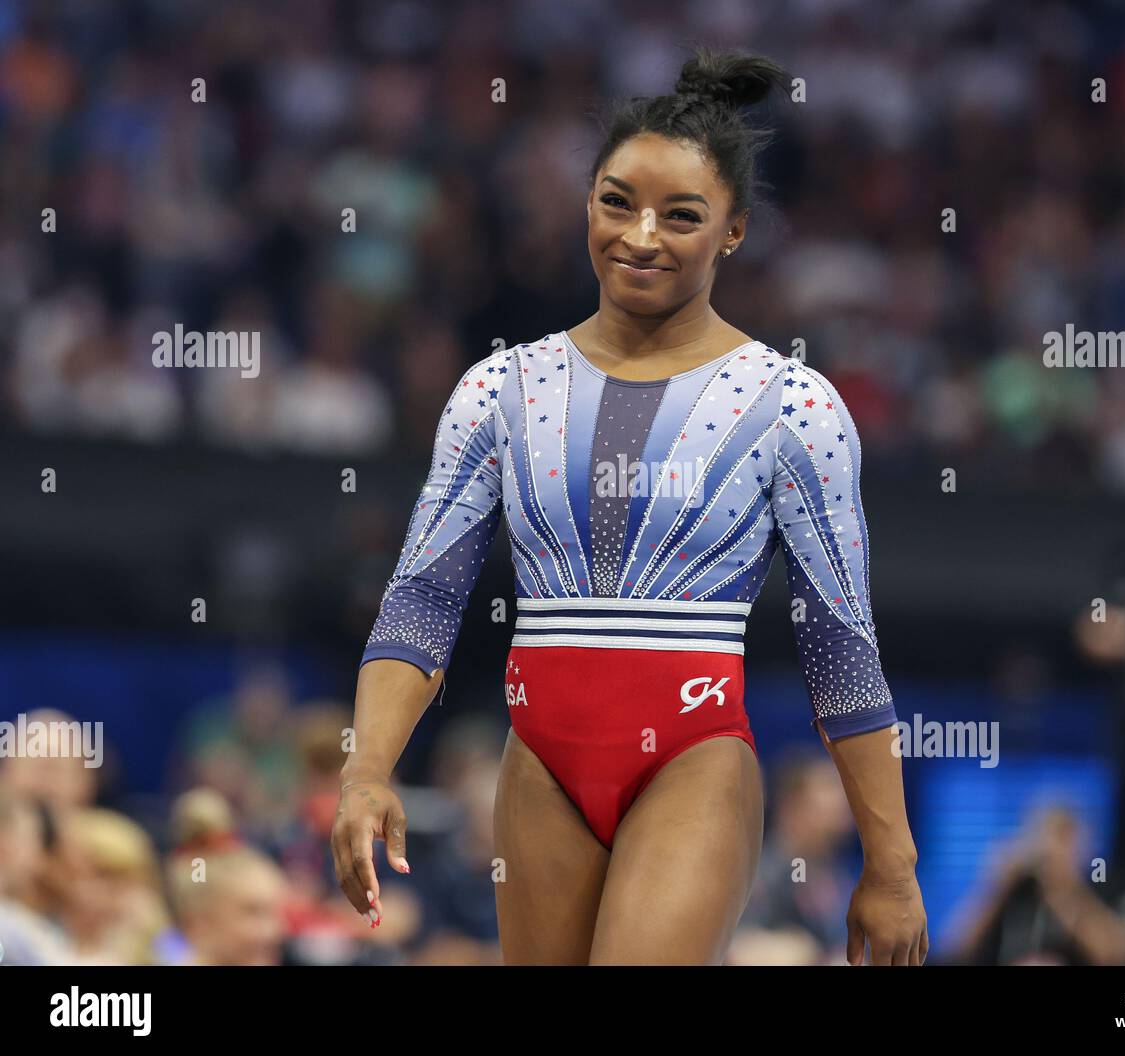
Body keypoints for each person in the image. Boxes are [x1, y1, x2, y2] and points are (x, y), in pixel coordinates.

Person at [332, 46, 927, 966]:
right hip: (540, 765)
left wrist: (892, 864)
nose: (641, 236)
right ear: (587, 203)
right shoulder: (501, 389)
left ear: (733, 231)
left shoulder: (791, 406)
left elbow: (841, 648)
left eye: (682, 215)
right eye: (617, 202)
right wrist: (367, 769)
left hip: (694, 759)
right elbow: (421, 600)